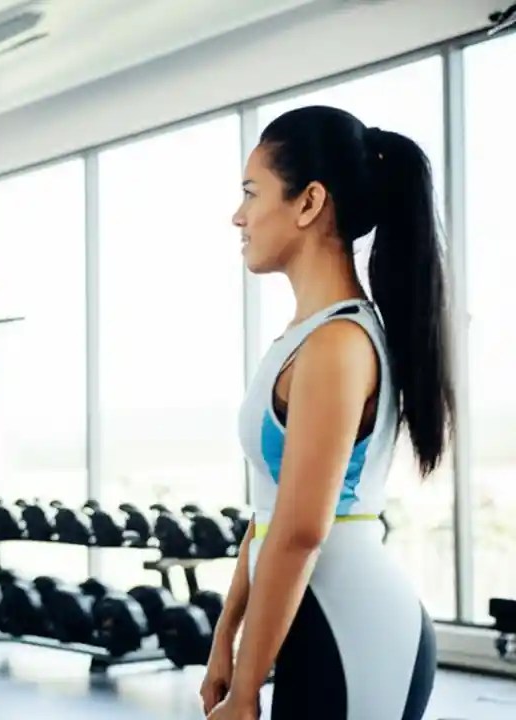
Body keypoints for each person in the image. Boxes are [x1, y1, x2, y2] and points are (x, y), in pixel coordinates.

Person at [204, 105, 453, 720]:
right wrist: (225, 639)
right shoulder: (306, 338)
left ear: (309, 202)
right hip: (312, 620)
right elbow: (270, 515)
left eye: (251, 192)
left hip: (355, 631)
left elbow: (301, 531)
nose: (238, 215)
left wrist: (245, 692)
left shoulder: (339, 345)